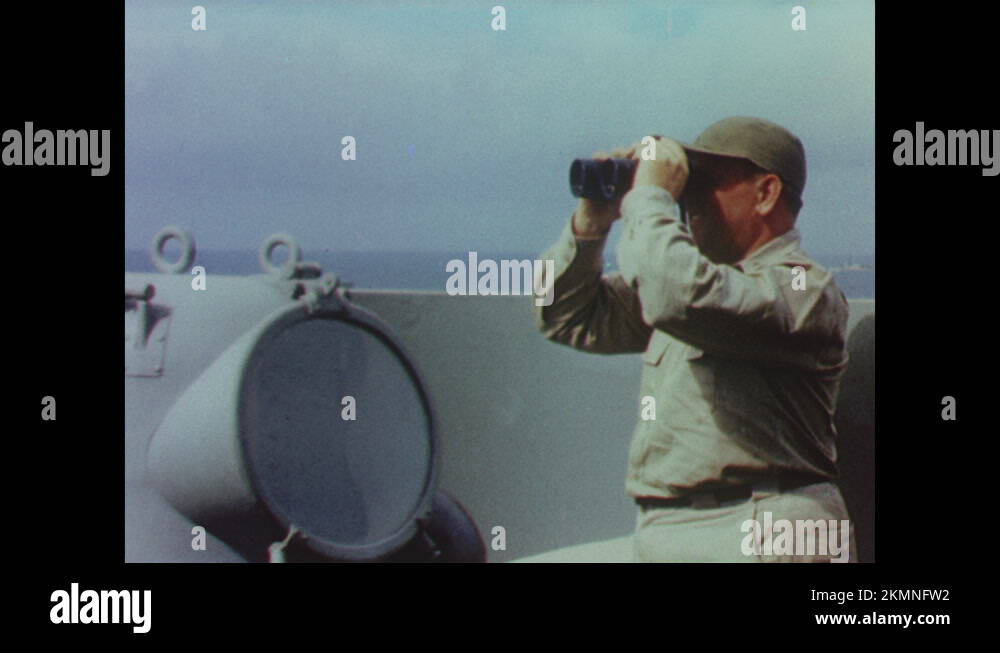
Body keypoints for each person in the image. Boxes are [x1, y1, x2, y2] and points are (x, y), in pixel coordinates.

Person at [534, 116, 856, 562]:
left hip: (762, 527)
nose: (690, 198)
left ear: (766, 193)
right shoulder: (697, 283)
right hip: (668, 529)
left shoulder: (804, 289)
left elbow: (677, 295)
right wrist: (592, 220)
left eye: (705, 182)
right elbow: (567, 315)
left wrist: (649, 198)